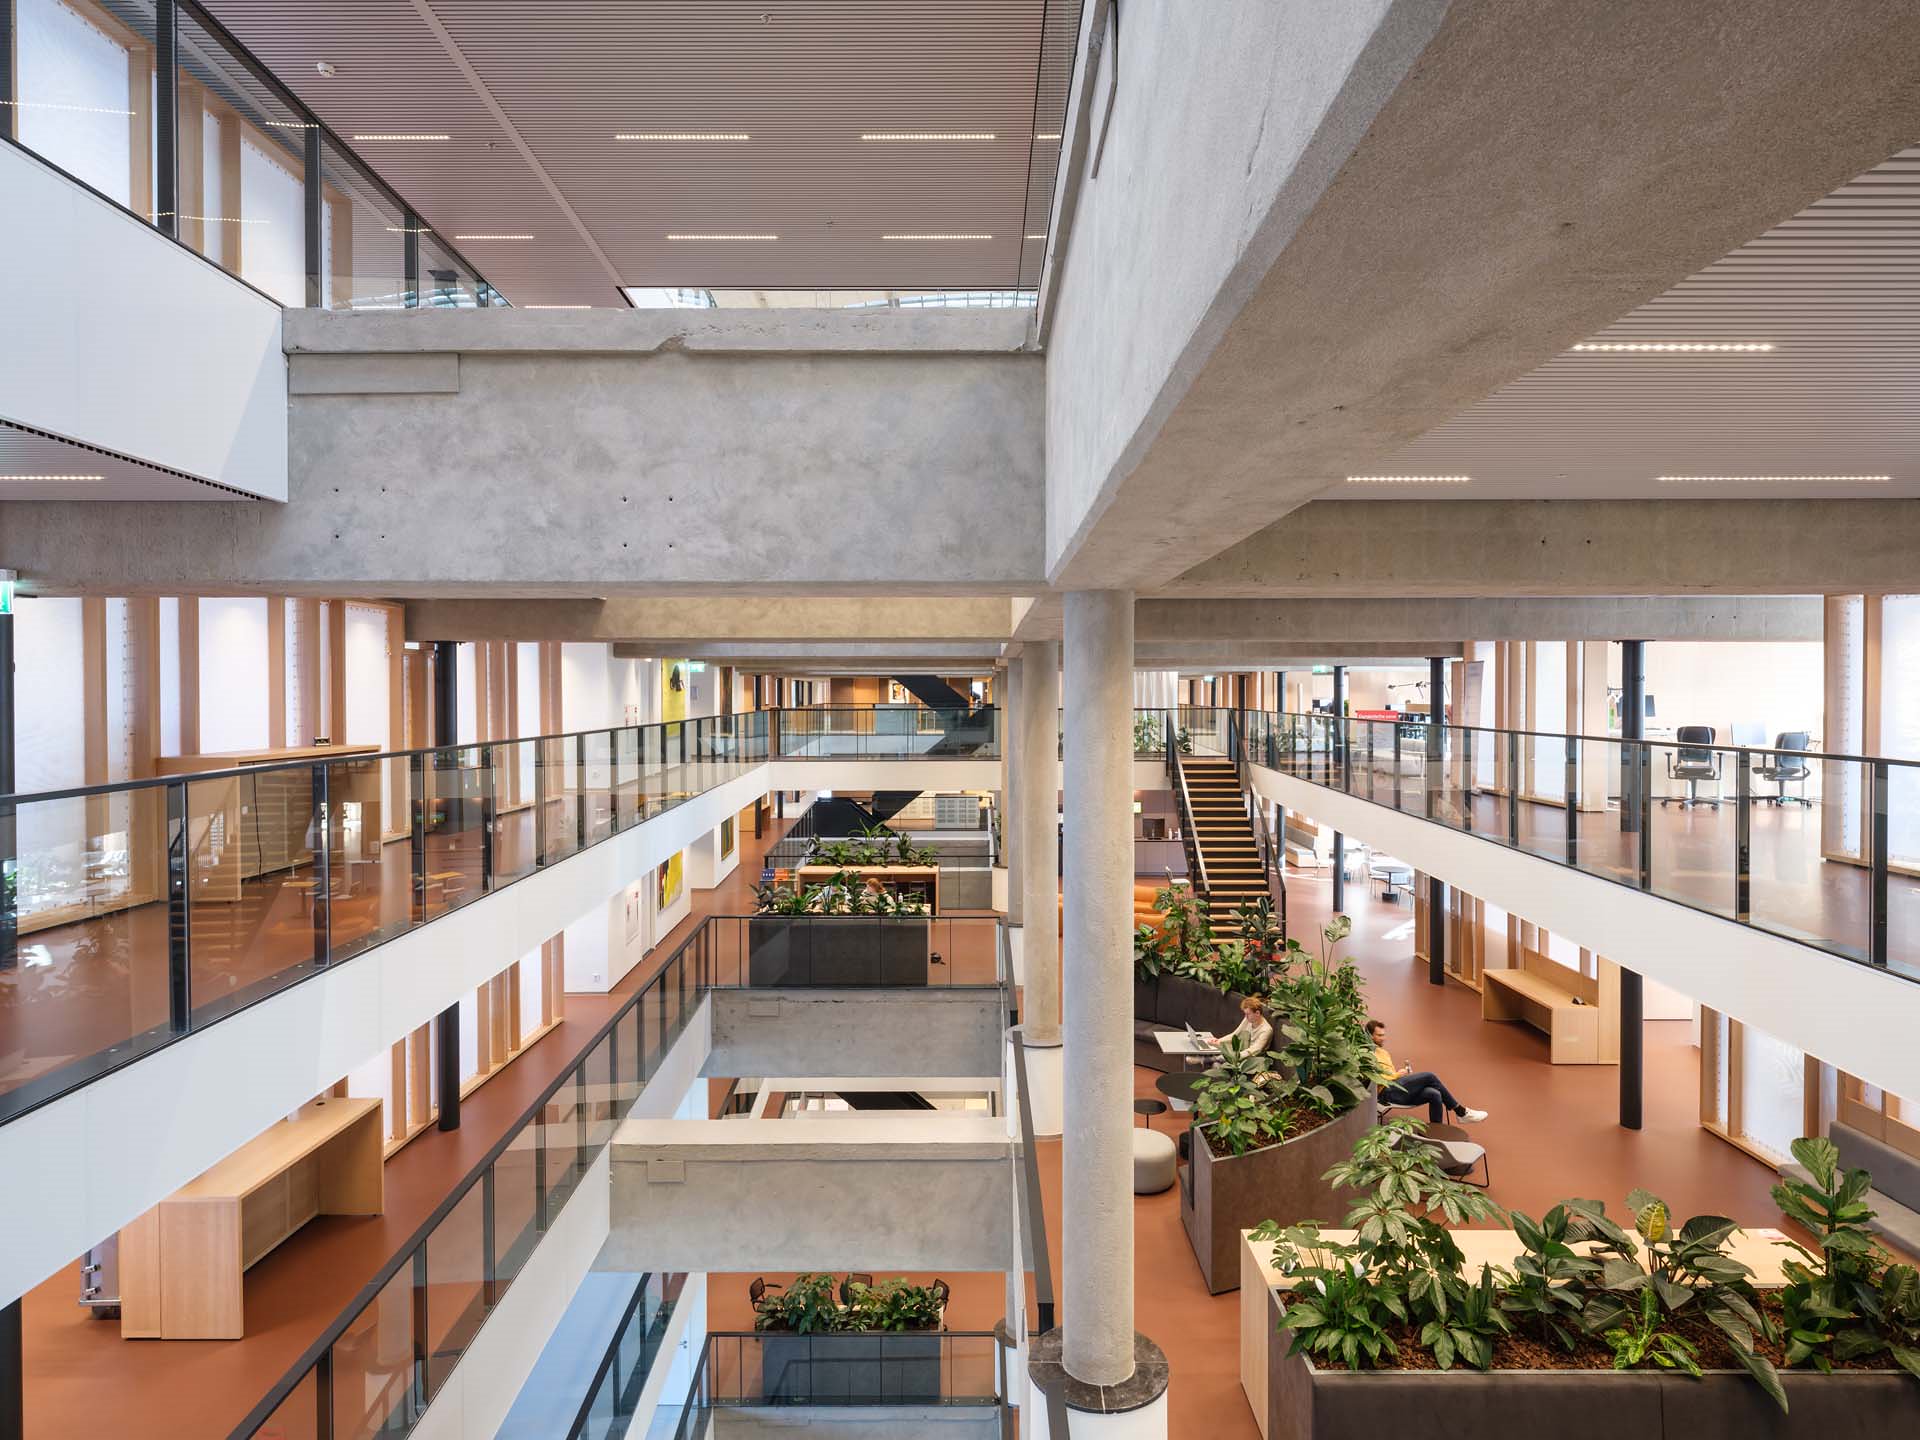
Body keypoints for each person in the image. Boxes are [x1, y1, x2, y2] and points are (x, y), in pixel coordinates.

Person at [1367, 1018, 1487, 1123]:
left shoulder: (1383, 1052)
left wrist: (1399, 1074)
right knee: (1429, 1076)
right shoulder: (1367, 1054)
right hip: (1385, 1093)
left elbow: (1389, 1073)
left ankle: (1437, 1133)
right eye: (1380, 1035)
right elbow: (1377, 1078)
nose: (1384, 1038)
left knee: (1434, 1094)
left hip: (1396, 1088)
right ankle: (1460, 1111)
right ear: (1370, 1036)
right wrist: (1397, 1074)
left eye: (1384, 1035)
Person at [1209, 995, 1274, 1057]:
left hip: (1252, 1060)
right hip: (1240, 1053)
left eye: (1248, 1014)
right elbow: (1235, 1034)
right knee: (1215, 1058)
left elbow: (1255, 1050)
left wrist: (1233, 1055)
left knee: (1217, 1061)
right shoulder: (1247, 1019)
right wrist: (1218, 1041)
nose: (1246, 1017)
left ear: (1257, 1013)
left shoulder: (1266, 1030)